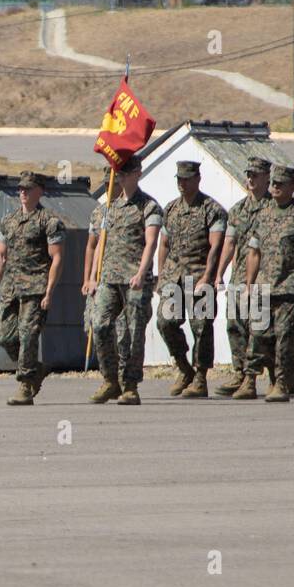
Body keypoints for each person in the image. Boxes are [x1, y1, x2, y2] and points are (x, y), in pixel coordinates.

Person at [237, 164, 294, 401]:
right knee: (257, 334)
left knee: (285, 337)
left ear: (292, 186)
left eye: (280, 184)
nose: (274, 188)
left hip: (289, 286)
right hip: (264, 285)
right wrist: (249, 284)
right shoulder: (263, 215)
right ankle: (250, 380)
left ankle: (282, 382)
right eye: (273, 183)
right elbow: (253, 253)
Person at [85, 154, 163, 405]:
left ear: (136, 174)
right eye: (118, 173)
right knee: (100, 324)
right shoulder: (108, 208)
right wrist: (93, 276)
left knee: (133, 332)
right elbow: (98, 245)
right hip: (108, 278)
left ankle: (130, 385)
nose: (120, 177)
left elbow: (151, 242)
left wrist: (142, 272)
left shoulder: (148, 206)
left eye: (125, 172)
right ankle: (110, 380)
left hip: (134, 279)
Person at [0, 171, 65, 406]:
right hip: (11, 287)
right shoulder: (8, 221)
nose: (23, 192)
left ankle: (25, 385)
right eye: (21, 188)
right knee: (6, 338)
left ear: (39, 191)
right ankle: (35, 369)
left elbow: (57, 258)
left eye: (28, 188)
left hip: (36, 287)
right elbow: (0, 255)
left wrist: (50, 291)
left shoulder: (49, 222)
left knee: (28, 335)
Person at [155, 160, 227, 398]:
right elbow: (163, 244)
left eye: (186, 179)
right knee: (165, 322)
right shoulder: (171, 209)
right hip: (173, 278)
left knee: (201, 327)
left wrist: (208, 276)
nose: (182, 184)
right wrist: (161, 275)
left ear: (197, 179)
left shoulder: (212, 209)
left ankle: (200, 377)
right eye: (179, 179)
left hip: (198, 276)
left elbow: (216, 247)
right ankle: (184, 367)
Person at [214, 156, 272, 395]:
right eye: (248, 174)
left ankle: (255, 377)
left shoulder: (275, 207)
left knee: (259, 330)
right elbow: (229, 243)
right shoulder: (238, 209)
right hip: (239, 276)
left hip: (265, 276)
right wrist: (219, 273)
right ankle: (240, 373)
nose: (250, 179)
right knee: (235, 326)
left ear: (267, 178)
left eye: (255, 175)